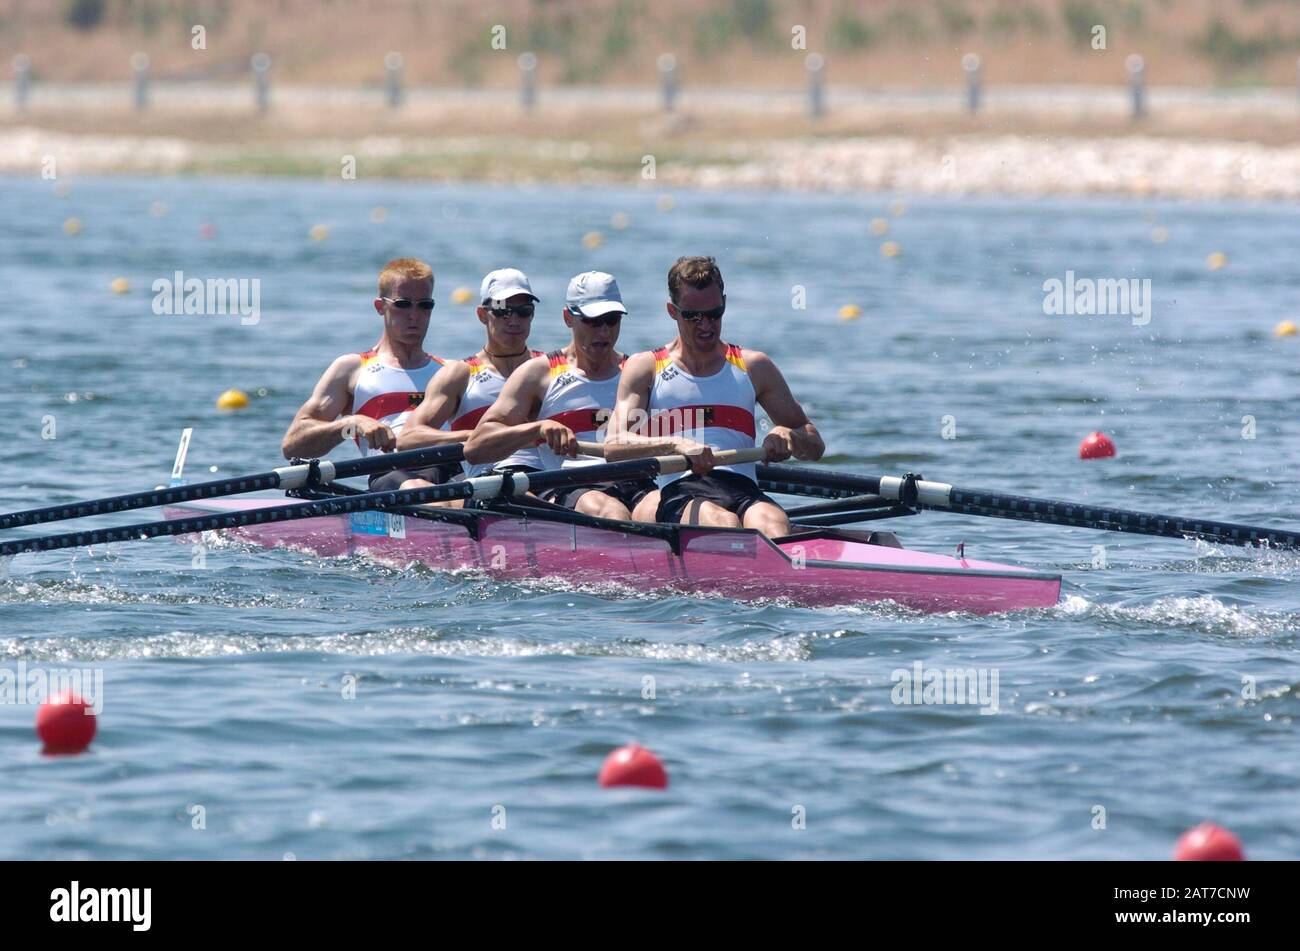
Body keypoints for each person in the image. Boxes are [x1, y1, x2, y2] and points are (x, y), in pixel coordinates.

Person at [605, 255, 824, 537]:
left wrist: (789, 437)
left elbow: (815, 447)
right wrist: (676, 445)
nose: (705, 325)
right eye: (692, 316)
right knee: (722, 523)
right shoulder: (646, 367)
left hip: (742, 488)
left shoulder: (755, 366)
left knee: (774, 524)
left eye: (713, 314)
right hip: (680, 491)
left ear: (724, 303)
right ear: (672, 311)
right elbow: (614, 446)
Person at [463, 271, 658, 521]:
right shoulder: (539, 374)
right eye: (592, 320)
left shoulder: (639, 372)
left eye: (612, 320)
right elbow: (476, 447)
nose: (604, 331)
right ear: (568, 318)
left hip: (636, 482)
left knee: (658, 509)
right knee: (612, 511)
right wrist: (538, 429)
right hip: (574, 484)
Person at [280, 257, 453, 491]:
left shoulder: (451, 371)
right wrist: (352, 424)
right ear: (380, 307)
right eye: (403, 304)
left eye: (424, 305)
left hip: (451, 469)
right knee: (417, 488)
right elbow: (293, 445)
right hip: (391, 474)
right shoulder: (352, 369)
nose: (415, 315)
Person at [396, 268, 545, 504]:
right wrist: (482, 438)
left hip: (551, 480)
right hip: (491, 482)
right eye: (502, 311)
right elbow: (408, 439)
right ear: (482, 315)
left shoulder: (548, 369)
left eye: (523, 311)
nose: (513, 320)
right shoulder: (460, 374)